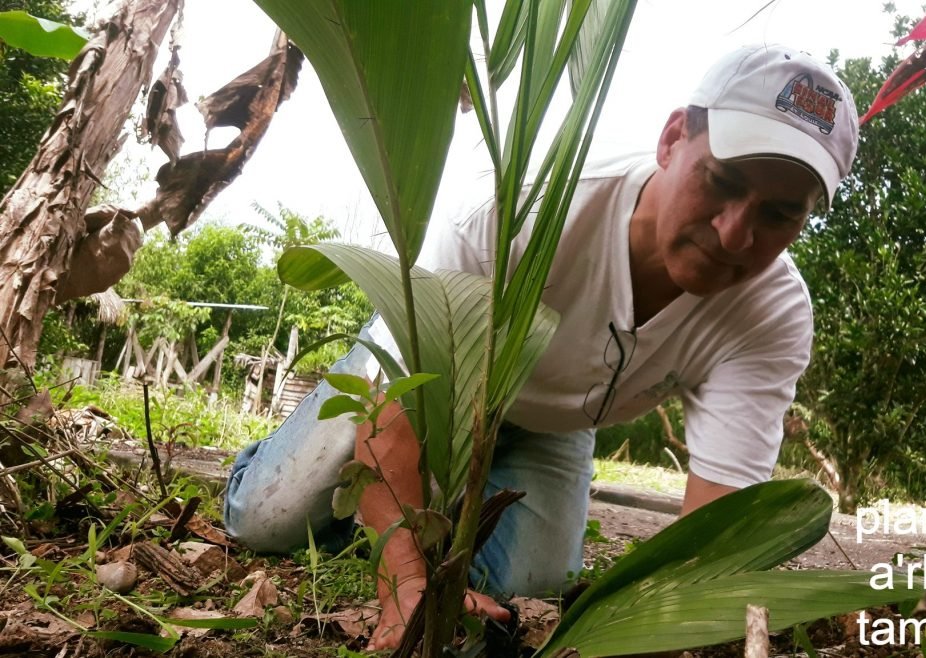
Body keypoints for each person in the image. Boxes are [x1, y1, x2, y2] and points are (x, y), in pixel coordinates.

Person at [223, 43, 859, 650]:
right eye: (720, 181)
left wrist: (657, 627)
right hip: (431, 383)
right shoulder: (516, 213)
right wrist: (406, 583)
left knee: (532, 587)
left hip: (555, 427)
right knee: (266, 520)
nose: (734, 234)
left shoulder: (770, 313)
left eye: (779, 215)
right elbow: (397, 407)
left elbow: (714, 529)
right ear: (672, 140)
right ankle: (342, 497)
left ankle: (405, 509)